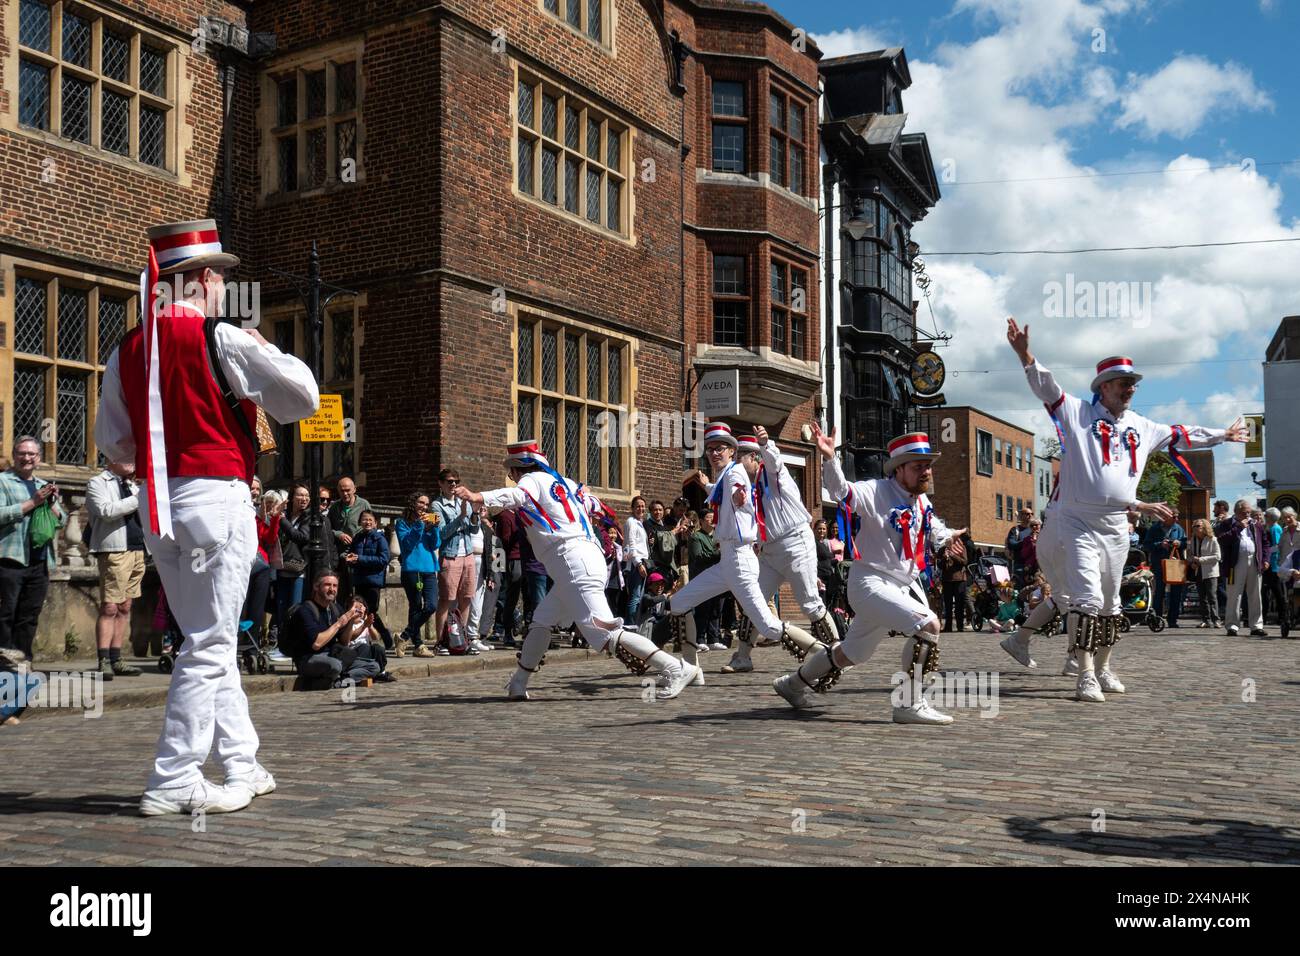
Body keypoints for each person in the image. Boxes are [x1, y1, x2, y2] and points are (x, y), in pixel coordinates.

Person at [96, 217, 319, 815]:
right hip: (215, 497)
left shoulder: (127, 348)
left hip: (158, 505)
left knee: (205, 638)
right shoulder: (222, 337)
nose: (223, 285)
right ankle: (175, 776)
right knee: (212, 645)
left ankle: (242, 760)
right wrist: (269, 348)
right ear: (197, 281)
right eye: (218, 274)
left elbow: (114, 446)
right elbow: (304, 399)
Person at [1005, 317, 1244, 701]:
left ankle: (1103, 667)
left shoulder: (1141, 426)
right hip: (1077, 521)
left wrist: (1223, 434)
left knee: (1112, 604)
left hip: (1117, 526)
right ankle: (1084, 674)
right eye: (1123, 382)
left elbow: (1183, 434)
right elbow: (1047, 388)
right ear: (1103, 387)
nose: (1130, 388)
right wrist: (1025, 355)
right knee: (1086, 599)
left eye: (1133, 382)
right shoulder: (1077, 413)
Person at [454, 440, 699, 700]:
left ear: (519, 469)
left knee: (606, 633)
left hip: (570, 561)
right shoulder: (568, 484)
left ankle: (676, 668)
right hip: (582, 559)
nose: (511, 477)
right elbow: (598, 507)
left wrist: (477, 496)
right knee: (542, 620)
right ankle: (518, 684)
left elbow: (516, 496)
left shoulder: (532, 481)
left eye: (512, 472)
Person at [777, 426, 966, 724]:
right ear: (899, 469)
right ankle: (908, 704)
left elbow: (932, 528)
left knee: (851, 654)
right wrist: (829, 458)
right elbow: (840, 491)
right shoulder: (874, 491)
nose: (926, 472)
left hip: (898, 587)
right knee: (928, 625)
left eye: (928, 466)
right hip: (870, 584)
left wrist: (947, 538)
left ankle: (792, 684)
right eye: (919, 467)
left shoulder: (920, 500)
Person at [665, 423, 821, 684]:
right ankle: (690, 670)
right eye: (711, 449)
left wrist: (742, 497)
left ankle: (827, 655)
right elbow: (721, 492)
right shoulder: (726, 476)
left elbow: (742, 493)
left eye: (721, 448)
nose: (714, 453)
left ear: (731, 451)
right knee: (679, 603)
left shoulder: (735, 474)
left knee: (769, 626)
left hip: (739, 560)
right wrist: (709, 487)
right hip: (728, 560)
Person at [716, 428, 840, 675]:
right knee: (754, 600)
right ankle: (742, 657)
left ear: (755, 458)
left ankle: (837, 654)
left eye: (741, 457)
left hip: (795, 542)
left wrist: (765, 443)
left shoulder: (773, 473)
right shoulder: (744, 485)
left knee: (810, 602)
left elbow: (774, 459)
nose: (737, 464)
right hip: (769, 550)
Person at [0, 436, 68, 661]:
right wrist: (33, 502)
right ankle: (3, 662)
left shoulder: (42, 485)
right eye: (22, 453)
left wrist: (51, 504)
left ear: (38, 458)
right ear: (14, 454)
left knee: (29, 616)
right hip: (11, 559)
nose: (27, 458)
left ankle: (23, 663)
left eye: (32, 454)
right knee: (5, 613)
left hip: (40, 561)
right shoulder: (3, 481)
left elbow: (63, 520)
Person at [86, 460, 145, 679]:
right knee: (110, 606)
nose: (132, 461)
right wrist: (138, 499)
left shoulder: (132, 485)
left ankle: (117, 658)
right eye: (126, 457)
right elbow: (106, 511)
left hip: (137, 548)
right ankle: (103, 661)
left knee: (125, 606)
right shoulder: (97, 482)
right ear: (111, 458)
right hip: (115, 549)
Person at [282, 570, 381, 687]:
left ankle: (338, 681)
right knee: (335, 666)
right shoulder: (305, 610)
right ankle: (341, 678)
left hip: (333, 655)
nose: (332, 589)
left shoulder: (335, 608)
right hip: (309, 659)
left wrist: (351, 621)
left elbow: (344, 642)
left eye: (335, 586)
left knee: (374, 666)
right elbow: (317, 643)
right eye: (327, 585)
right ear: (316, 587)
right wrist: (339, 623)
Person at [433, 468, 476, 650]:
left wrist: (474, 514)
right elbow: (442, 533)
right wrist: (461, 517)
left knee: (466, 598)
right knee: (446, 599)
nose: (453, 485)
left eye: (456, 481)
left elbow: (473, 529)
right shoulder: (437, 505)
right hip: (450, 556)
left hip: (468, 554)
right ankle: (441, 641)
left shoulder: (462, 502)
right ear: (441, 484)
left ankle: (462, 639)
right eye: (449, 481)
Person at [394, 492, 440, 657]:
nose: (424, 507)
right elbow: (406, 545)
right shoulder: (402, 523)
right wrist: (420, 525)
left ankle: (404, 636)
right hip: (412, 569)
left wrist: (434, 528)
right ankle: (419, 646)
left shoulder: (428, 522)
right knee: (415, 607)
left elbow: (436, 544)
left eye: (427, 504)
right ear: (413, 503)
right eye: (421, 503)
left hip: (429, 568)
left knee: (431, 605)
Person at [1218, 499, 1267, 637]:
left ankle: (1256, 626)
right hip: (1235, 563)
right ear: (1236, 512)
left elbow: (1265, 542)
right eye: (1245, 512)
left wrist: (1265, 559)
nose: (1248, 515)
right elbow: (1222, 539)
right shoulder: (1227, 524)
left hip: (1255, 562)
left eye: (1249, 512)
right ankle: (1232, 626)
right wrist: (1239, 527)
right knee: (1234, 595)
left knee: (1255, 594)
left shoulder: (1256, 524)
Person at [345, 510, 393, 650]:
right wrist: (350, 559)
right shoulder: (358, 537)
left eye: (370, 520)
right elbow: (353, 554)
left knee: (371, 611)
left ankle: (385, 637)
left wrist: (360, 559)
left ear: (375, 523)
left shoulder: (380, 538)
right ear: (360, 522)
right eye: (364, 519)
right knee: (361, 611)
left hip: (373, 581)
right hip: (359, 579)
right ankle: (369, 638)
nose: (367, 522)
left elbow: (384, 559)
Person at [274, 483, 314, 646]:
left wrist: (282, 520)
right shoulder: (287, 515)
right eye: (300, 495)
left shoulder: (309, 517)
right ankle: (281, 643)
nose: (304, 499)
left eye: (307, 495)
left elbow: (301, 537)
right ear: (291, 498)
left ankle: (293, 644)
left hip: (299, 568)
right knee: (280, 608)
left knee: (295, 608)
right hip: (281, 566)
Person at [327, 477, 370, 607]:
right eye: (341, 491)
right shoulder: (334, 507)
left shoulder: (363, 505)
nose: (345, 494)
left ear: (354, 489)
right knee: (341, 593)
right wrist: (339, 534)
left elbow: (370, 525)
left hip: (358, 554)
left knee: (358, 593)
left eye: (347, 490)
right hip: (340, 556)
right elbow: (328, 528)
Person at [686, 510, 725, 650]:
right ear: (701, 521)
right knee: (703, 608)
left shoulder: (718, 536)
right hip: (703, 577)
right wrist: (719, 554)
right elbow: (699, 556)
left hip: (719, 577)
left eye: (713, 518)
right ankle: (700, 638)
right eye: (709, 518)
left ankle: (714, 638)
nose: (712, 520)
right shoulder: (696, 537)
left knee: (716, 609)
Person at [465, 503, 497, 652]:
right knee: (465, 602)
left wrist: (491, 574)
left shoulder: (487, 531)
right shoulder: (467, 526)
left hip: (483, 568)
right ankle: (465, 636)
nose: (480, 511)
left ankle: (474, 636)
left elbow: (492, 554)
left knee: (478, 604)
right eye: (478, 509)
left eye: (483, 509)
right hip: (467, 563)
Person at [492, 506, 524, 647]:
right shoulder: (506, 516)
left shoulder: (521, 515)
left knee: (528, 596)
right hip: (513, 559)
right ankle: (507, 632)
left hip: (524, 558)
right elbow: (504, 541)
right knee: (510, 597)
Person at [1187, 518, 1222, 628]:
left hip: (1210, 572)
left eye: (1198, 526)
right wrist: (1192, 561)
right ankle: (1206, 620)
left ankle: (1216, 619)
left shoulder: (1212, 539)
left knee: (1212, 596)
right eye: (1194, 526)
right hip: (1198, 571)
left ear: (1204, 527)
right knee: (1202, 597)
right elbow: (1189, 555)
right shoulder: (1193, 540)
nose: (1195, 528)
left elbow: (1217, 557)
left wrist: (1201, 560)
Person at [623, 496, 651, 622]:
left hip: (641, 561)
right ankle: (630, 626)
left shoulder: (639, 523)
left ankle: (635, 624)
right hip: (636, 563)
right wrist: (638, 564)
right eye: (638, 506)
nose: (641, 508)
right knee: (634, 597)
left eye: (642, 506)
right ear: (633, 508)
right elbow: (631, 544)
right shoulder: (631, 521)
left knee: (638, 597)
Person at [1262, 507, 1289, 632]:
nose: (1264, 517)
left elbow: (1277, 546)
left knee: (1278, 593)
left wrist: (1265, 552)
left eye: (1266, 515)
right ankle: (1265, 616)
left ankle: (1282, 617)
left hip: (1274, 566)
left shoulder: (1275, 528)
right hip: (1270, 566)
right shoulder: (1270, 527)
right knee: (1267, 593)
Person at [939, 534, 969, 633]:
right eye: (946, 540)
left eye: (949, 540)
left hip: (959, 579)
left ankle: (960, 626)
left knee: (959, 604)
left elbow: (964, 562)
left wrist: (953, 555)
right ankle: (948, 627)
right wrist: (944, 557)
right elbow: (939, 565)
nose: (948, 541)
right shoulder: (942, 549)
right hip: (947, 580)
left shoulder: (961, 547)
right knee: (947, 605)